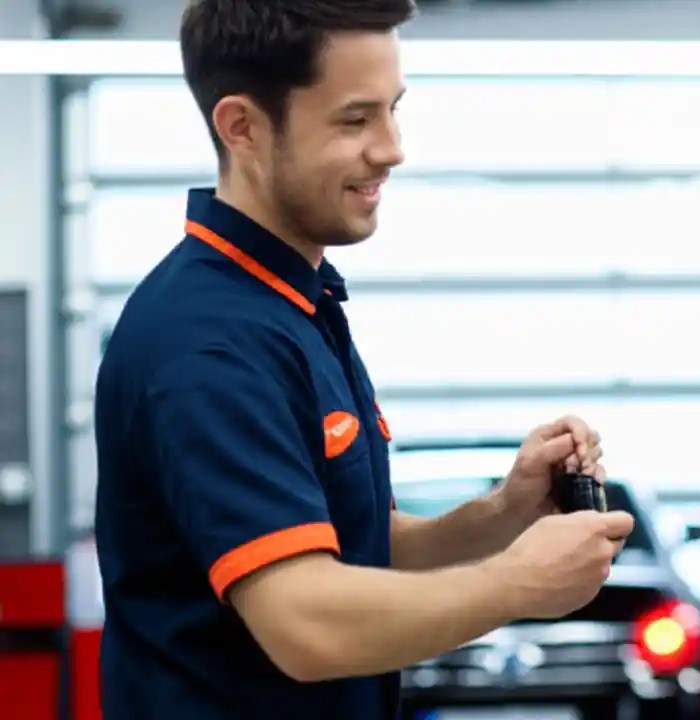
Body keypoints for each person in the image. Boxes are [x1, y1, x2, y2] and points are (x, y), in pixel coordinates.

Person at [92, 1, 634, 719]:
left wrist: (502, 513)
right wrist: (519, 583)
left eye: (392, 110)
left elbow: (355, 546)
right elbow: (305, 622)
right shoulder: (208, 344)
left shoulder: (292, 305)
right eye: (354, 120)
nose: (392, 147)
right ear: (242, 127)